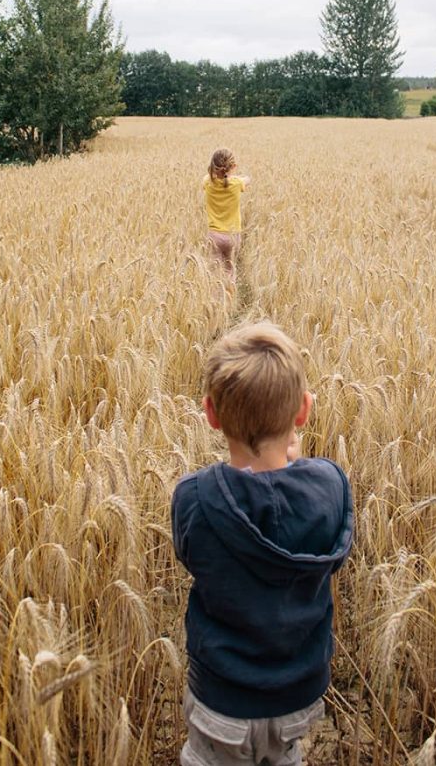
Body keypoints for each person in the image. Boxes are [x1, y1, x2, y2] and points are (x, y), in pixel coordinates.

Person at [172, 322, 354, 766]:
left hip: (222, 700)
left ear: (211, 414)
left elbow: (189, 554)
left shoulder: (196, 497)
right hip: (296, 697)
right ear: (304, 411)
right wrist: (292, 466)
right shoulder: (329, 486)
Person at [203, 148, 249, 287]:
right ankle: (230, 296)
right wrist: (236, 177)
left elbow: (207, 179)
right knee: (229, 268)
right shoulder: (236, 184)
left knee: (216, 270)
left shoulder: (207, 182)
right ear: (233, 167)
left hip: (214, 235)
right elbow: (247, 179)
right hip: (232, 235)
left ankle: (216, 300)